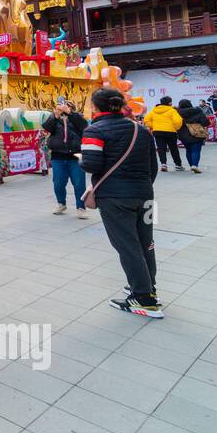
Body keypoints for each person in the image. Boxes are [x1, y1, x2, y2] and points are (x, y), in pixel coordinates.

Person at [82, 87, 162, 319]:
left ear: (96, 107)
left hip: (115, 198)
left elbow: (92, 165)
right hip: (146, 194)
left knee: (127, 245)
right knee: (147, 243)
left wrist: (81, 159)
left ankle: (143, 298)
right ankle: (148, 287)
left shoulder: (94, 131)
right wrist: (141, 186)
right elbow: (152, 166)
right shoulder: (142, 130)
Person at [42, 100, 88, 216]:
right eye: (62, 108)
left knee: (79, 183)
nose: (64, 110)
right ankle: (61, 203)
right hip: (58, 157)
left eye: (67, 108)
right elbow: (47, 128)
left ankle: (81, 208)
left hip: (76, 157)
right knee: (58, 183)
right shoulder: (55, 120)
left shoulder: (77, 119)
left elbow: (84, 126)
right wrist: (55, 115)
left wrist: (70, 114)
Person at [143, 96, 184, 171]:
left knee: (161, 148)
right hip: (170, 132)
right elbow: (178, 121)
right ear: (170, 103)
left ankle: (163, 164)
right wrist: (176, 128)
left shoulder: (154, 111)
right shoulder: (172, 111)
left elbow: (146, 119)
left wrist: (154, 126)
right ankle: (178, 165)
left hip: (157, 131)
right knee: (173, 148)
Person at [176, 99, 209, 173]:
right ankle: (194, 165)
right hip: (197, 133)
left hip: (183, 134)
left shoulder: (177, 112)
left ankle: (191, 165)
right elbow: (205, 122)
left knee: (188, 150)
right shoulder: (197, 110)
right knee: (196, 150)